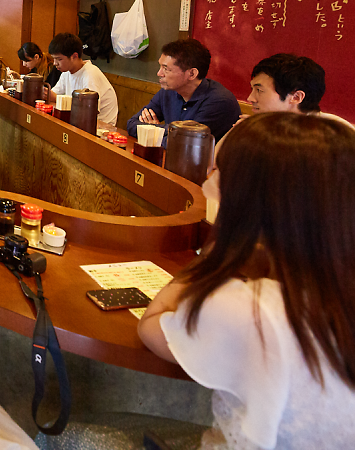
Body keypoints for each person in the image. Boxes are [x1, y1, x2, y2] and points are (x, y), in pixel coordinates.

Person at [138, 113, 355, 449]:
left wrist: (218, 255)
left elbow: (152, 328)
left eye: (222, 173)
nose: (210, 181)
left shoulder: (249, 307)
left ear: (254, 201)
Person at [126, 38, 240, 146]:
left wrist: (153, 130)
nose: (159, 73)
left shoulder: (219, 101)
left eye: (166, 69)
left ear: (191, 74)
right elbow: (131, 124)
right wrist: (162, 131)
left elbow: (184, 144)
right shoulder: (168, 91)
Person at [247, 52, 352, 127]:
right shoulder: (273, 125)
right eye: (252, 89)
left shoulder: (332, 136)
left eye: (259, 90)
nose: (250, 98)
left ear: (296, 97)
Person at [46, 32, 118, 125]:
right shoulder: (67, 72)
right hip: (78, 121)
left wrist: (56, 98)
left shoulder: (90, 74)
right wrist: (45, 92)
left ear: (74, 56)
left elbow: (89, 110)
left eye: (59, 59)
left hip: (99, 127)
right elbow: (54, 94)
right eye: (54, 59)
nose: (55, 63)